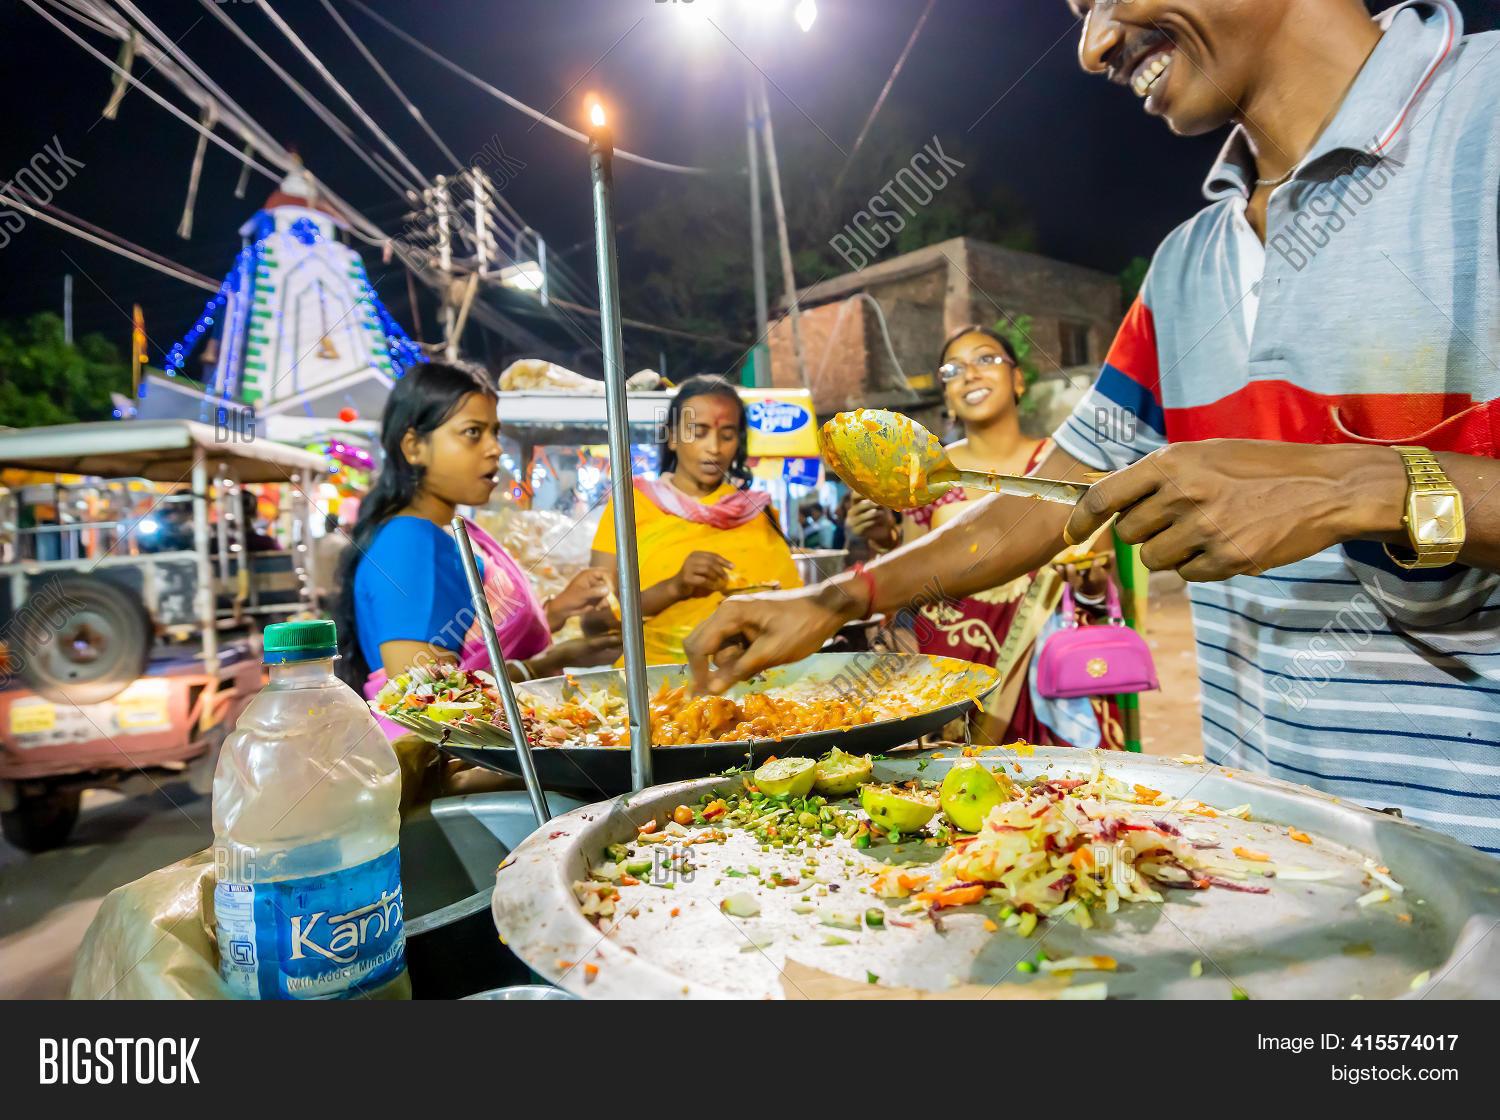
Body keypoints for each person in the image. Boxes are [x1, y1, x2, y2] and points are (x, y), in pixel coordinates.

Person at [686, 0, 1500, 855]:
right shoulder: (1188, 269)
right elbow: (1049, 501)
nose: (1094, 44)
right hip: (1280, 871)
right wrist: (837, 597)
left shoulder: (1482, 114)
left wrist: (1365, 487)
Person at [845, 324, 1119, 748]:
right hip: (951, 675)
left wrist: (1090, 583)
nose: (969, 373)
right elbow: (911, 577)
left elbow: (1100, 574)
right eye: (953, 369)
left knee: (1058, 800)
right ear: (947, 397)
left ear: (1018, 379)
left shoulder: (1063, 465)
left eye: (986, 359)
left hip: (1046, 672)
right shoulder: (925, 475)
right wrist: (884, 541)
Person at [334, 361, 618, 710]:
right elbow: (425, 704)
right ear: (413, 447)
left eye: (494, 432)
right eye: (473, 432)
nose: (494, 448)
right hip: (460, 764)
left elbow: (473, 634)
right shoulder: (409, 544)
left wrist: (558, 610)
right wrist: (539, 667)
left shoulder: (454, 534)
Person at [590, 374, 802, 664]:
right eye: (698, 433)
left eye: (726, 435)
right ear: (673, 437)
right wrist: (675, 587)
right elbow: (594, 620)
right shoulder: (629, 505)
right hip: (653, 689)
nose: (714, 448)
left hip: (755, 686)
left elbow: (797, 608)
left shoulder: (757, 510)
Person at [314, 512, 349, 601]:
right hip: (337, 592)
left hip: (319, 591)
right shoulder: (343, 543)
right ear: (337, 525)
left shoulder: (318, 542)